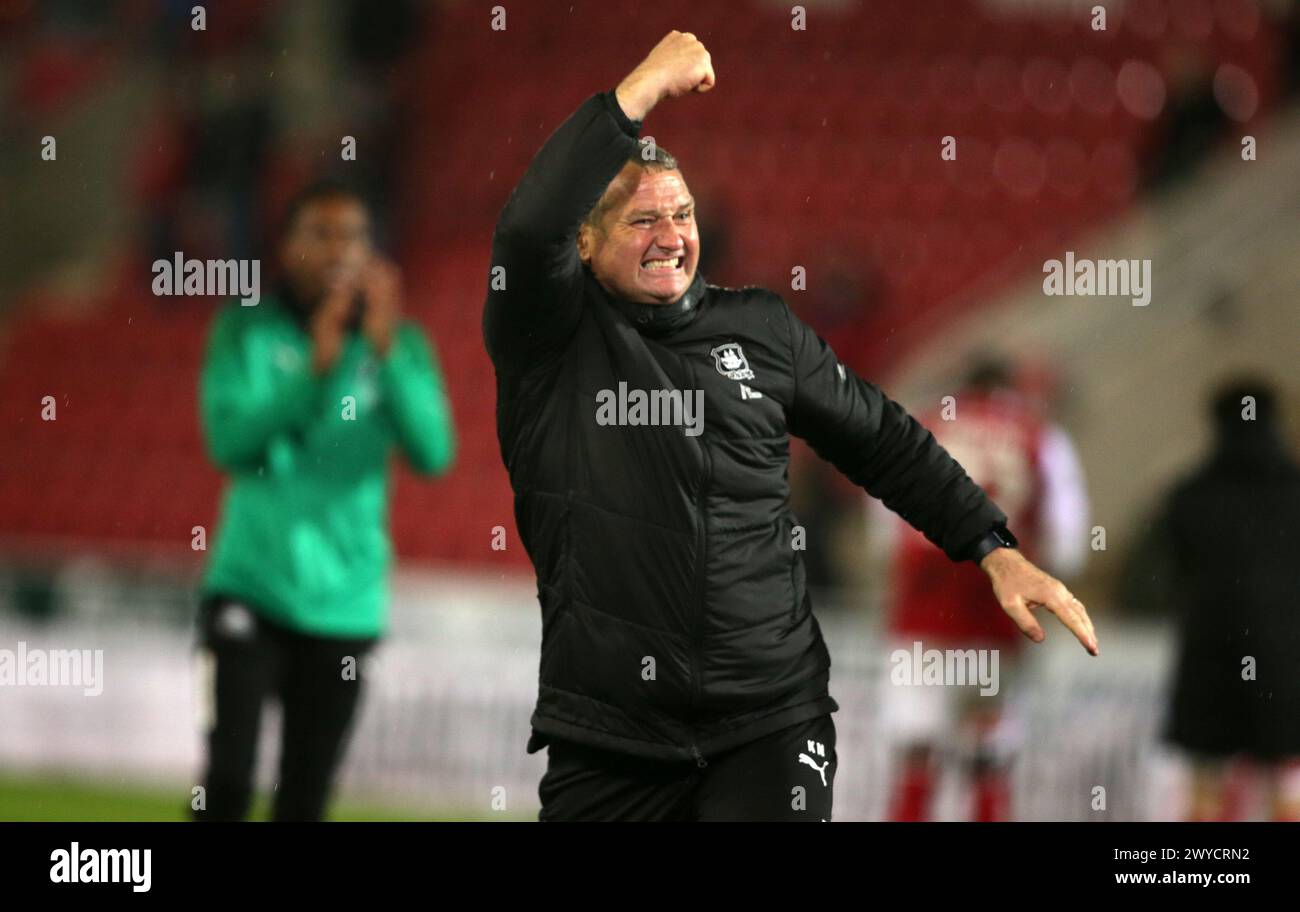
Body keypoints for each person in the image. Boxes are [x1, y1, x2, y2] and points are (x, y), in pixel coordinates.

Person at [484, 31, 1097, 822]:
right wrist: (638, 92)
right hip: (608, 733)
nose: (671, 237)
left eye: (682, 213)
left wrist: (990, 544)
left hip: (769, 720)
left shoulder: (763, 330)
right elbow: (529, 233)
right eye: (641, 221)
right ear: (588, 242)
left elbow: (883, 440)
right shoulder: (551, 339)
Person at [194, 180, 456, 821]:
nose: (339, 249)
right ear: (287, 247)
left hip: (345, 603)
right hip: (250, 590)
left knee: (304, 800)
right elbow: (231, 442)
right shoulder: (245, 331)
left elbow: (432, 453)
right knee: (226, 782)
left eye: (353, 236)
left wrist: (385, 348)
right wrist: (316, 370)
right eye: (321, 233)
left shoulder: (402, 346)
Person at [875, 356, 1089, 821]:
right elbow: (1068, 540)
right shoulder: (1040, 436)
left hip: (924, 615)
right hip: (998, 617)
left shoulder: (920, 426)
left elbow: (884, 529)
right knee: (989, 753)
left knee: (916, 750)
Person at [1123, 377, 1300, 821]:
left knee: (1205, 783)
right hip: (1286, 660)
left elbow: (1144, 585)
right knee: (1286, 777)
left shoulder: (1187, 494)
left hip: (1208, 657)